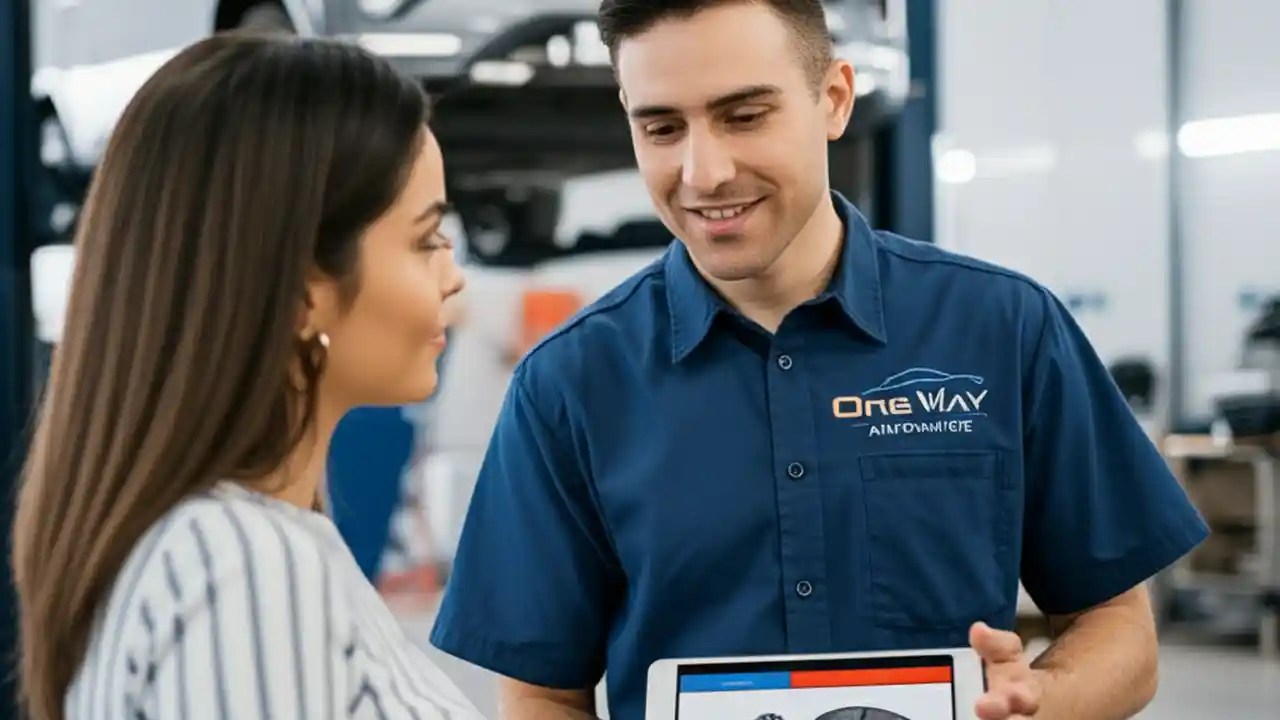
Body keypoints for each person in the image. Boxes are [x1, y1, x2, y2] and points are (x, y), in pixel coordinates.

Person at [429, 2, 1209, 719]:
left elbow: (1118, 626)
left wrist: (1038, 702)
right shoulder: (569, 385)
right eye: (663, 127)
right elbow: (541, 694)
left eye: (744, 116)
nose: (704, 173)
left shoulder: (1004, 330)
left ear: (834, 99)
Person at [11, 34, 482, 720]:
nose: (452, 276)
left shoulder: (240, 551)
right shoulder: (247, 563)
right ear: (303, 291)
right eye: (426, 241)